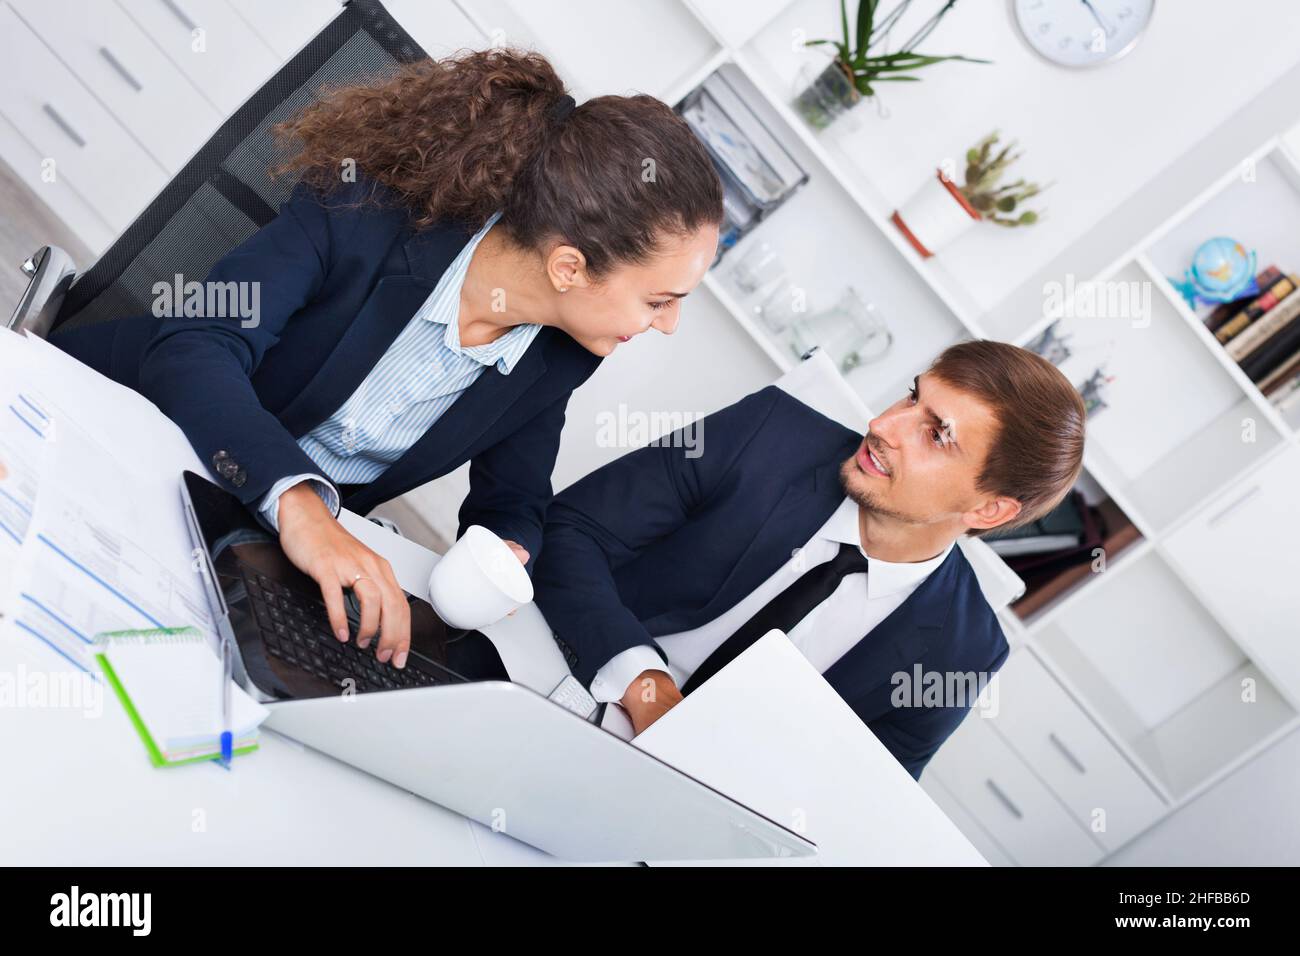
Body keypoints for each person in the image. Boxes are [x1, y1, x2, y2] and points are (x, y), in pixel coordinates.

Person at [52, 49, 723, 672]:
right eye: (661, 300)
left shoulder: (562, 352)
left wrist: (506, 544)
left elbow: (515, 495)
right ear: (570, 267)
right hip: (122, 433)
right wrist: (302, 507)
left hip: (244, 541)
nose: (668, 325)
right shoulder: (367, 211)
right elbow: (198, 346)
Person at [532, 341, 1087, 778]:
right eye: (911, 398)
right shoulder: (771, 432)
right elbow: (572, 530)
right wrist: (645, 686)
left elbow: (861, 794)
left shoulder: (964, 651)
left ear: (989, 510)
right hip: (563, 674)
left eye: (936, 434)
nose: (884, 425)